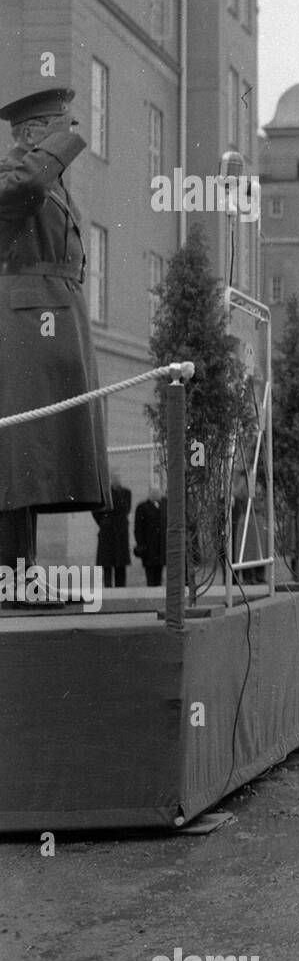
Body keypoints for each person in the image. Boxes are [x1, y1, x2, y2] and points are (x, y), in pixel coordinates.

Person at [0, 88, 111, 588]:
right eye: (57, 127)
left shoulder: (53, 184)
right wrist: (61, 144)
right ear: (29, 135)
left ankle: (21, 575)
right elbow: (26, 184)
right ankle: (11, 578)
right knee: (18, 452)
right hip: (23, 325)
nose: (70, 135)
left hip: (51, 320)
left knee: (39, 454)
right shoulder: (14, 174)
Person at [93, 473, 132, 588]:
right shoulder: (104, 494)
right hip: (107, 533)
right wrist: (103, 522)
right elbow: (96, 511)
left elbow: (126, 509)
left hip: (121, 533)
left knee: (121, 565)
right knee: (107, 565)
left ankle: (121, 587)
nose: (116, 481)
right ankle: (108, 587)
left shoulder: (126, 493)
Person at [133, 484, 166, 587]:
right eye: (154, 492)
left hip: (161, 547)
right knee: (150, 573)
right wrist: (141, 543)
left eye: (158, 492)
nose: (156, 494)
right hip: (149, 547)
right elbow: (138, 528)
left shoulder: (165, 505)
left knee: (159, 572)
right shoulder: (142, 507)